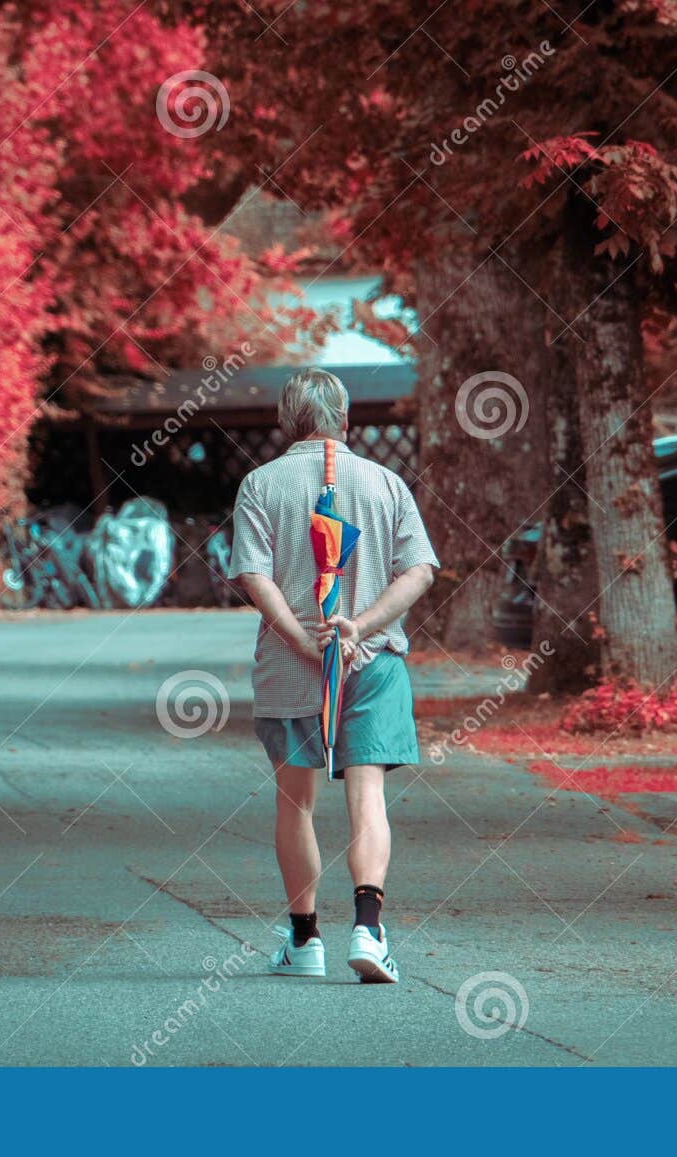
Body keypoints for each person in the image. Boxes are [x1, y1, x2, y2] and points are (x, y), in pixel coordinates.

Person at [230, 368, 439, 984]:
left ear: (285, 423)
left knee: (295, 802)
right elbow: (420, 570)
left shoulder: (259, 485)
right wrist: (361, 626)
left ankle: (306, 942)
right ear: (345, 423)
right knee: (367, 793)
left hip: (290, 669)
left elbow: (252, 574)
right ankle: (369, 931)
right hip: (372, 662)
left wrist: (300, 640)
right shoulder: (386, 484)